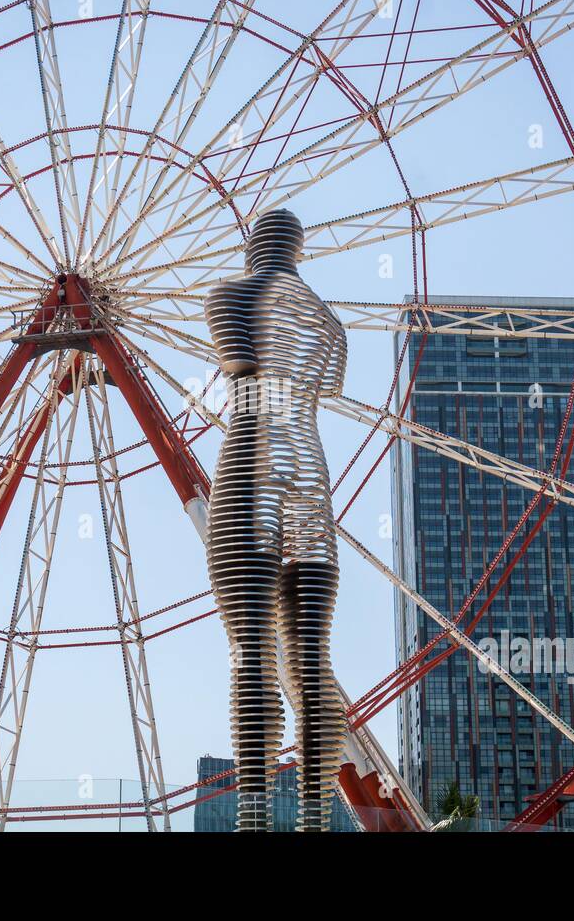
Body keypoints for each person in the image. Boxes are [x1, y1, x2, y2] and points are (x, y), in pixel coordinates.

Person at [203, 209, 347, 831]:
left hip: (253, 458)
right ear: (299, 247)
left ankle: (255, 819)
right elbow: (329, 384)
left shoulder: (230, 295)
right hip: (310, 474)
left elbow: (239, 362)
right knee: (311, 658)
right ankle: (315, 820)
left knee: (251, 649)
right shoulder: (329, 322)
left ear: (254, 245)